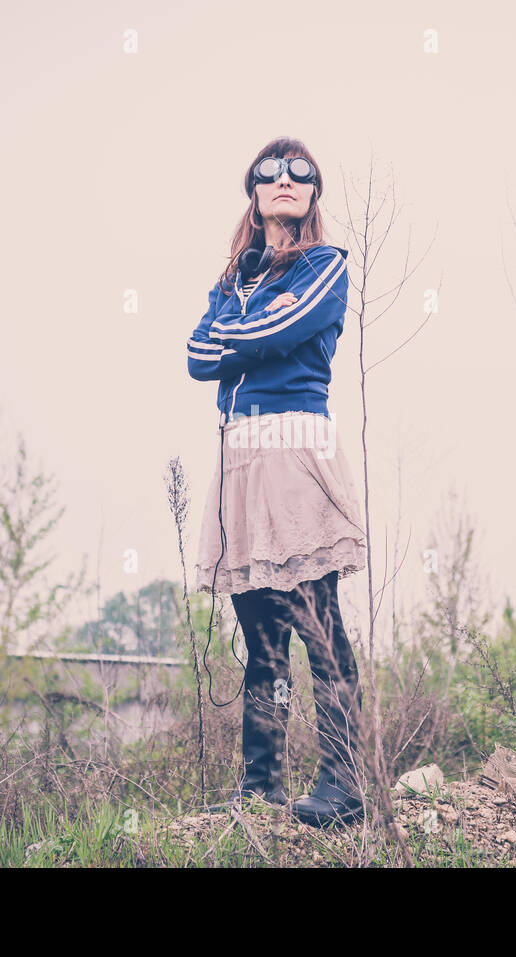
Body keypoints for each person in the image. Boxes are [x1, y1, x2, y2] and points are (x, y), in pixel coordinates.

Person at [185, 138, 369, 828]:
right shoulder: (232, 280)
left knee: (318, 620)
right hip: (239, 455)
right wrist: (251, 326)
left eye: (300, 172)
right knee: (262, 636)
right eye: (270, 171)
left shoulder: (325, 265)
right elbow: (196, 354)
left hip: (295, 445)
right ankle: (259, 786)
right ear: (254, 192)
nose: (285, 179)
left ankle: (344, 784)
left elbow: (283, 327)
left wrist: (242, 332)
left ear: (313, 192)